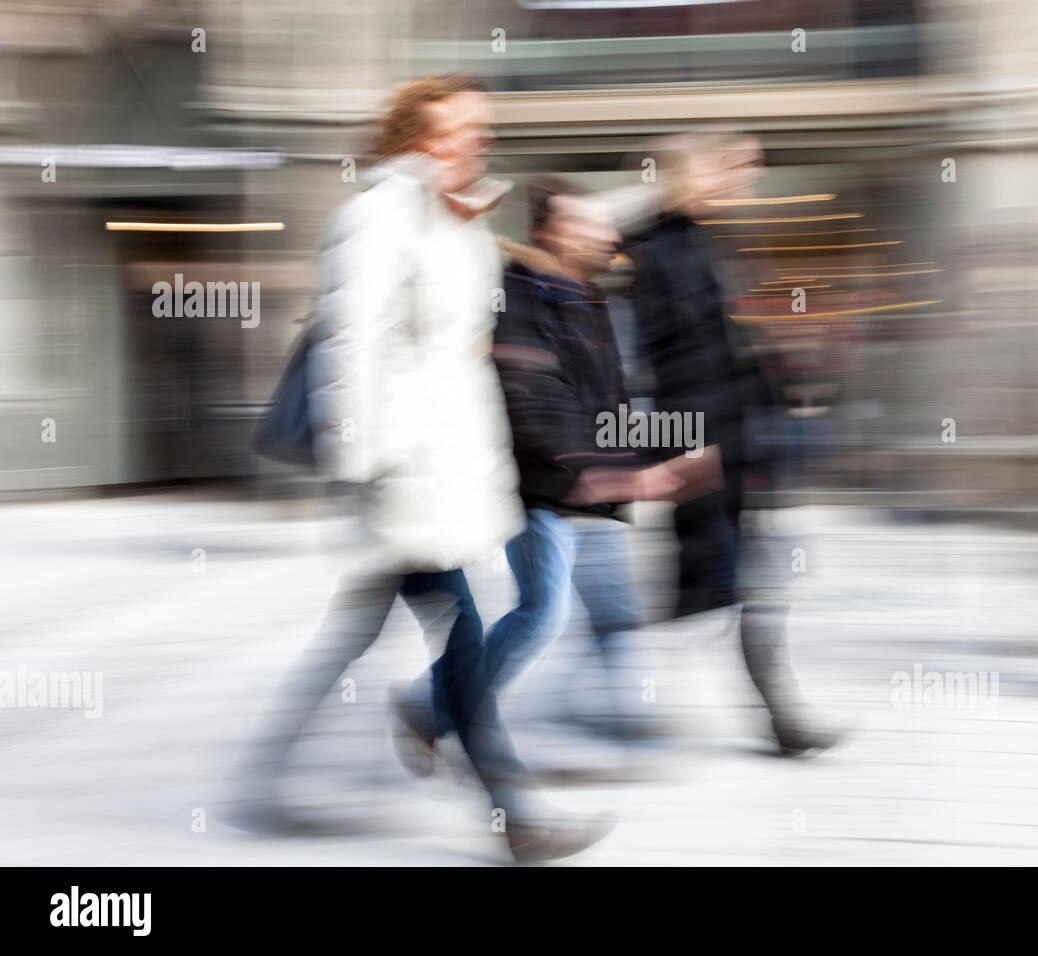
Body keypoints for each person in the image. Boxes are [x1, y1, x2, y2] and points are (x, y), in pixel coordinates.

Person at [236, 74, 613, 863]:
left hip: (441, 473)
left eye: (481, 128)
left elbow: (459, 347)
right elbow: (354, 344)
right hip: (398, 473)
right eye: (455, 130)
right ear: (415, 138)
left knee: (357, 634)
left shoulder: (457, 223)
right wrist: (371, 465)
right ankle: (515, 818)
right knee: (465, 635)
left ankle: (261, 783)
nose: (474, 140)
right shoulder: (375, 216)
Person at [392, 176, 720, 759]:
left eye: (605, 224)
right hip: (539, 488)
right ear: (550, 230)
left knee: (613, 608)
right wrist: (610, 472)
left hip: (585, 488)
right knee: (539, 613)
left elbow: (605, 409)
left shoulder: (587, 300)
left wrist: (673, 448)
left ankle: (622, 718)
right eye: (588, 224)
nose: (607, 235)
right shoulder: (521, 296)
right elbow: (537, 403)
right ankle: (432, 708)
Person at [629, 131, 846, 756]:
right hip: (705, 441)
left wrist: (777, 380)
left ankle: (781, 717)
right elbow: (674, 359)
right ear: (684, 180)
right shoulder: (661, 251)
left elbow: (725, 343)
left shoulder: (711, 244)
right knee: (718, 584)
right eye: (720, 173)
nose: (734, 184)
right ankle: (599, 689)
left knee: (753, 580)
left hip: (734, 436)